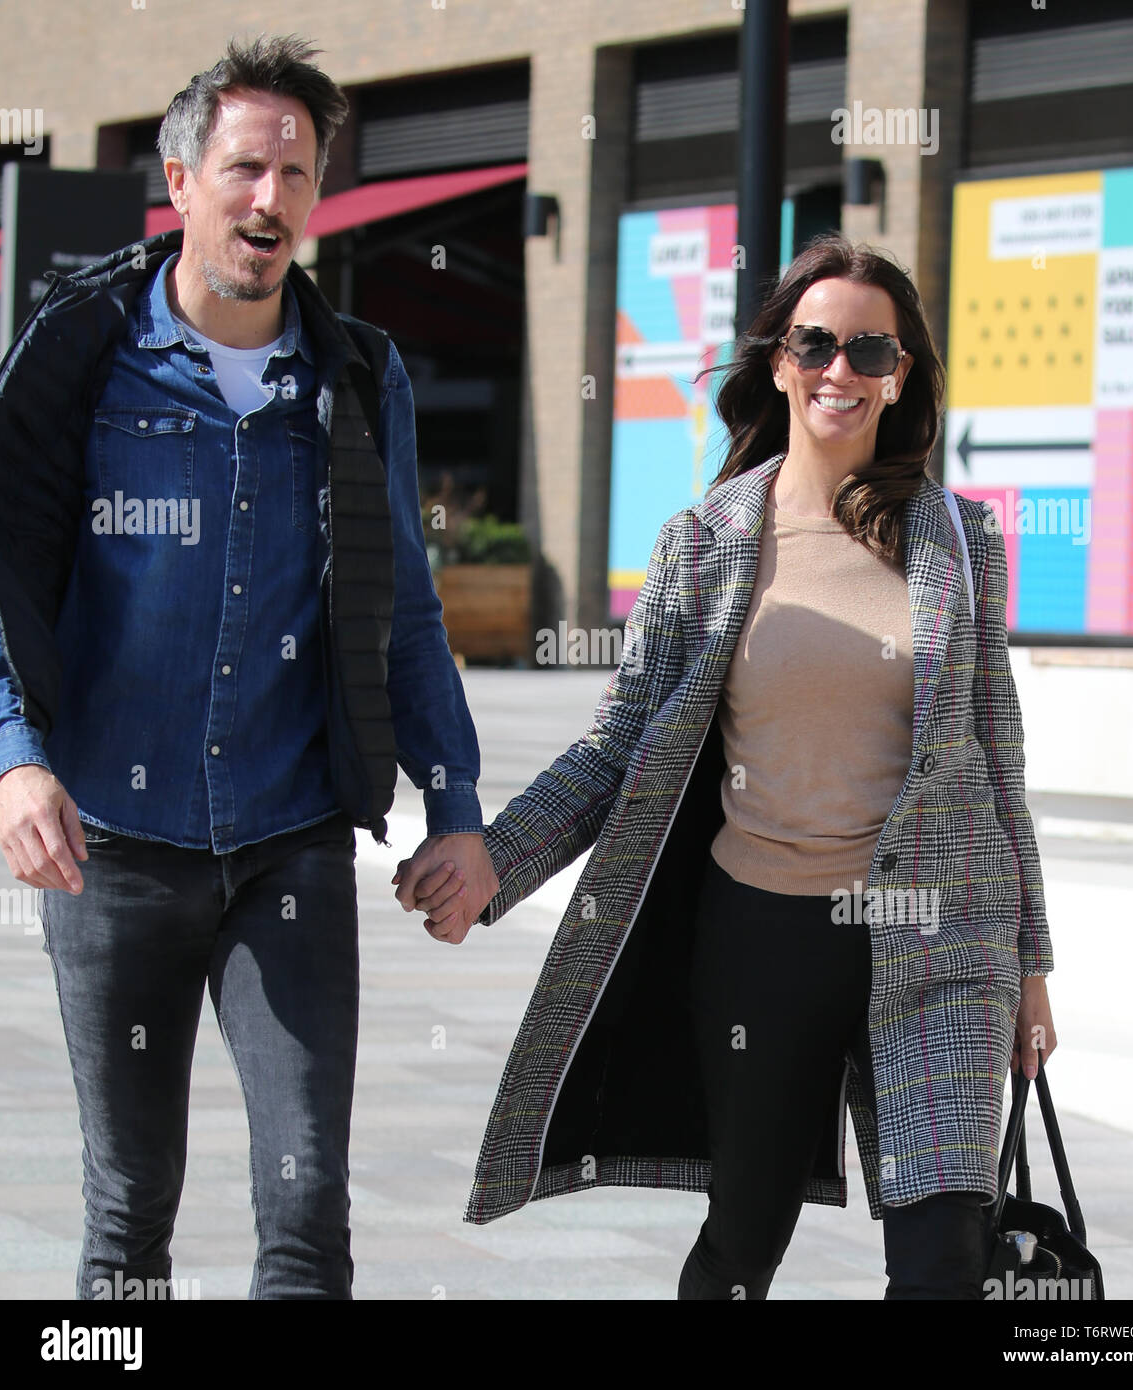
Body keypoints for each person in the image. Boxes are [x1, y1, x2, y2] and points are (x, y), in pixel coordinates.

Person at [405, 233, 1058, 1300]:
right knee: (744, 1242)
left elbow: (999, 758)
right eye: (816, 344)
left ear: (902, 378)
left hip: (942, 937)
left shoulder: (959, 540)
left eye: (869, 351)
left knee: (945, 1259)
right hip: (767, 934)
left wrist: (1029, 967)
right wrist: (494, 862)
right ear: (781, 362)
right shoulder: (706, 542)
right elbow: (621, 744)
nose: (840, 370)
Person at [0, 34, 496, 1300]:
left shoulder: (357, 378)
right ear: (181, 176)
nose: (270, 199)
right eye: (244, 168)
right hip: (111, 845)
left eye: (297, 172)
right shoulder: (80, 356)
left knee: (307, 1205)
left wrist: (460, 808)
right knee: (125, 1213)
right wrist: (14, 759)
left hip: (290, 843)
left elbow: (406, 613)